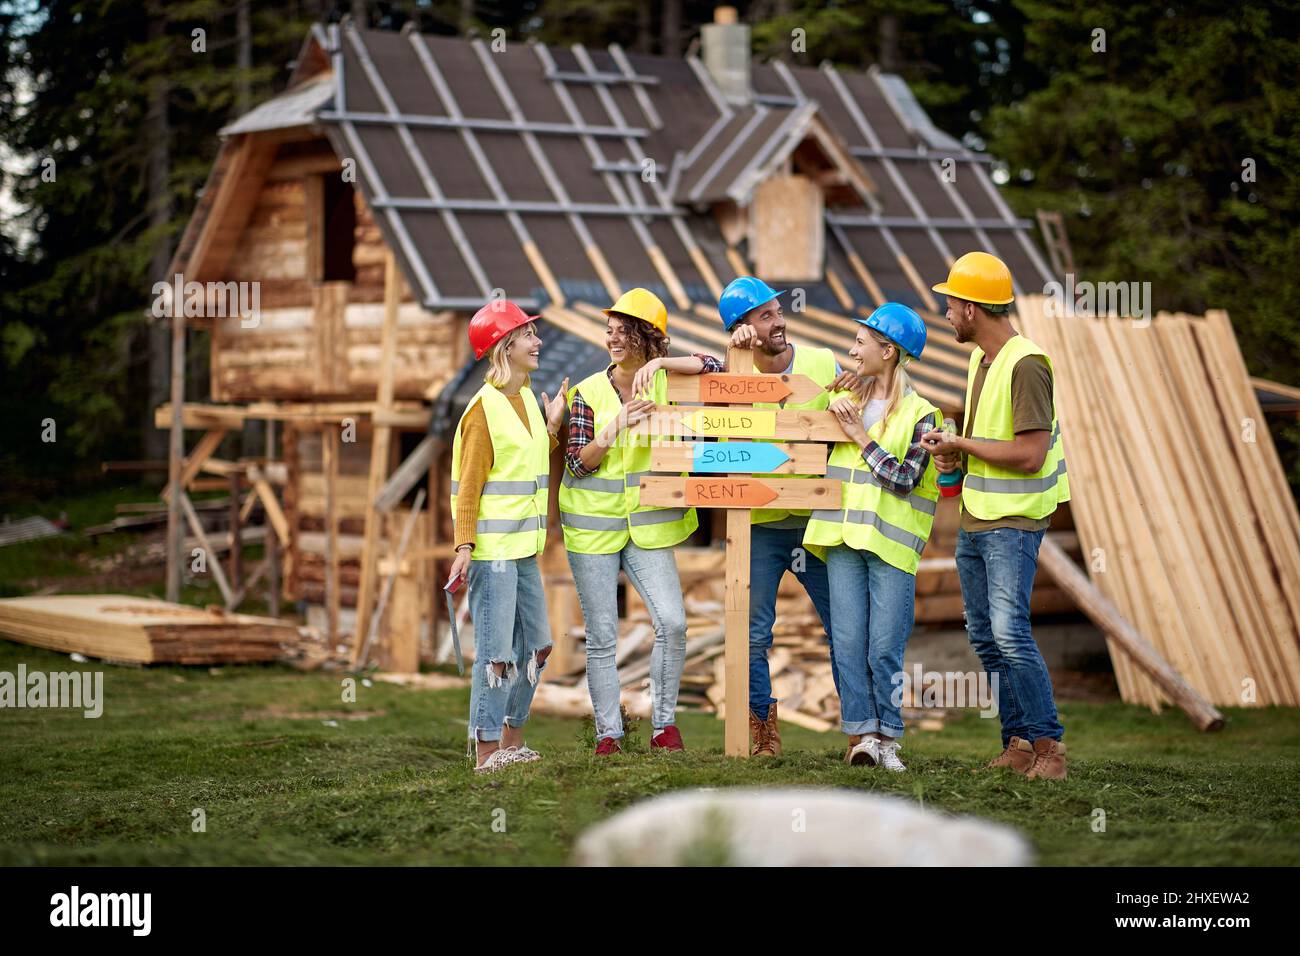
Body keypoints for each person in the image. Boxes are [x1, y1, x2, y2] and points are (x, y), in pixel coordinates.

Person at [922, 251, 1071, 780]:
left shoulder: (1026, 364)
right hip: (978, 517)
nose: (945, 314)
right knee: (986, 636)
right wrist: (954, 453)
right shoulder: (979, 360)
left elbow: (1029, 455)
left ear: (970, 308)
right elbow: (989, 441)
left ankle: (1049, 749)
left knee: (1010, 633)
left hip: (1014, 520)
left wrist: (962, 440)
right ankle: (1017, 744)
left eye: (949, 304)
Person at [561, 288, 724, 755]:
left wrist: (667, 365)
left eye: (622, 332)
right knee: (603, 637)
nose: (612, 340)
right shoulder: (587, 393)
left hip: (649, 525)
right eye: (609, 332)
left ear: (646, 337)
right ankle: (608, 734)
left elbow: (718, 368)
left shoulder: (669, 384)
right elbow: (577, 464)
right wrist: (615, 426)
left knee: (672, 624)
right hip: (593, 526)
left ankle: (664, 727)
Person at [714, 276, 860, 756]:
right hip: (758, 526)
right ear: (743, 329)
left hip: (817, 522)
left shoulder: (820, 361)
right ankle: (762, 728)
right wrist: (733, 358)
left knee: (844, 626)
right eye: (765, 316)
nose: (778, 322)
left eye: (778, 312)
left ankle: (861, 730)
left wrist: (852, 391)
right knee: (753, 634)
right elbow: (716, 439)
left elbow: (857, 411)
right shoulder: (732, 374)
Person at [804, 303, 940, 771]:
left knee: (884, 647)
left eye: (860, 343)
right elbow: (803, 433)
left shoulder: (925, 414)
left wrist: (859, 435)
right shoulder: (846, 402)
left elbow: (904, 479)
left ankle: (889, 737)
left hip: (891, 547)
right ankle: (861, 735)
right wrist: (831, 405)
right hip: (841, 538)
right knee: (847, 643)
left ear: (889, 350)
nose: (851, 351)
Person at [447, 300, 567, 774]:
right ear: (505, 346)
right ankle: (486, 753)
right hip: (492, 552)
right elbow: (469, 486)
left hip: (523, 549)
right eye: (528, 335)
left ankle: (513, 743)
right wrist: (463, 547)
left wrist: (552, 425)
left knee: (537, 647)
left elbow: (531, 461)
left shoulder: (527, 398)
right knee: (495, 655)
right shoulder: (482, 411)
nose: (538, 342)